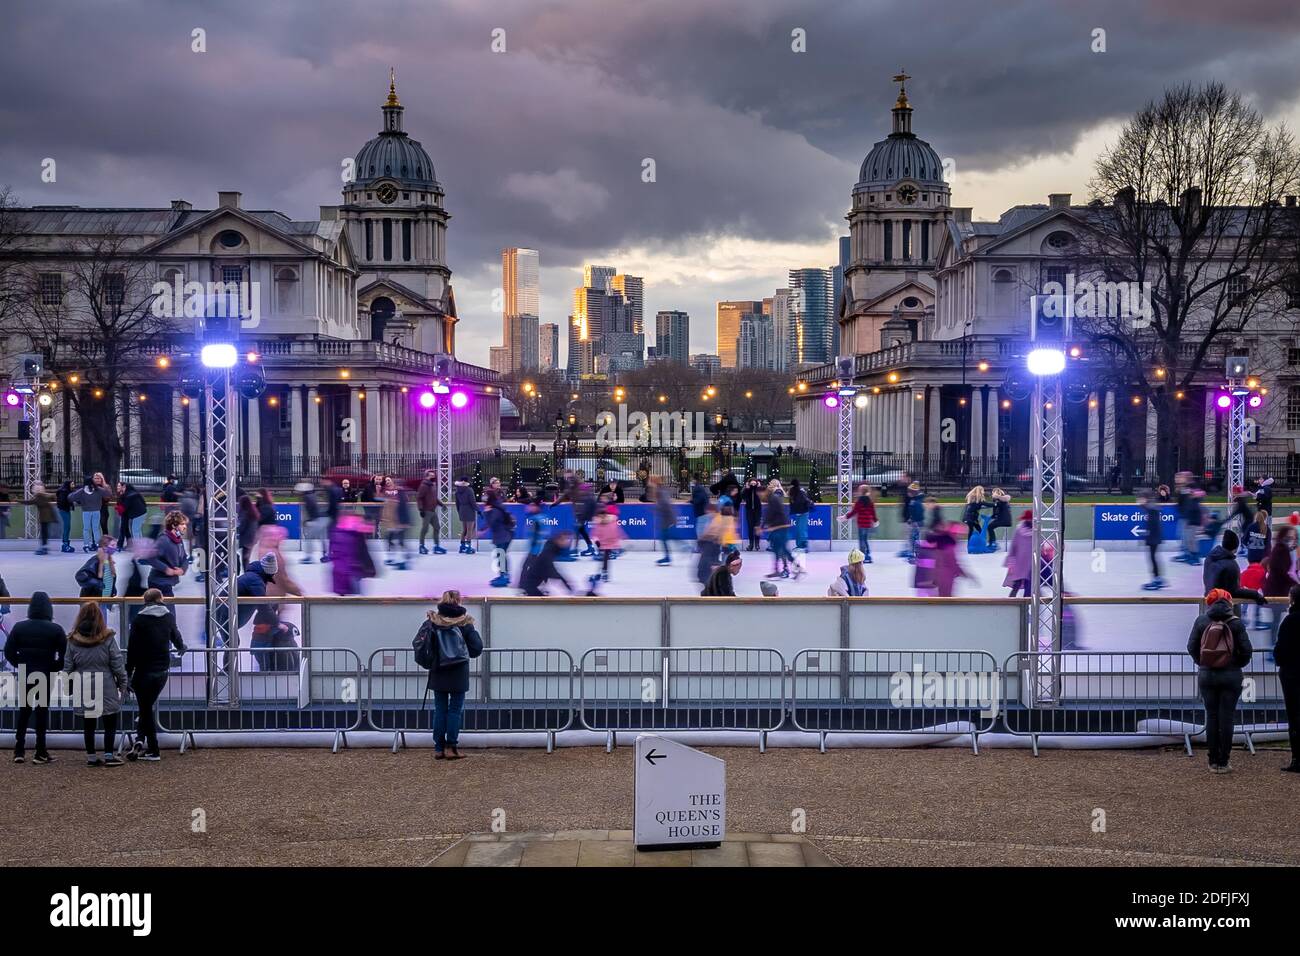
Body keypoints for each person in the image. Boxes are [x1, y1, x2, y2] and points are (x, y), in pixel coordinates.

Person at [1187, 588, 1253, 773]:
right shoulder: (1236, 623)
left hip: (1207, 675)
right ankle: (1224, 761)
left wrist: (1203, 663)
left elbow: (1191, 646)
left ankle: (1212, 760)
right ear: (1229, 603)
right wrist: (1236, 664)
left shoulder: (1201, 621)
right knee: (1227, 718)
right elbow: (1247, 650)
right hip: (1231, 675)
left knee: (1212, 716)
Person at [415, 590, 483, 760]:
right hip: (459, 671)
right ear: (459, 602)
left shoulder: (432, 621)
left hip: (438, 670)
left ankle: (438, 748)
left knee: (440, 710)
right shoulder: (465, 622)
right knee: (454, 710)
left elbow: (421, 644)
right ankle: (451, 748)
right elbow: (477, 648)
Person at [63, 602, 128, 767]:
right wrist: (123, 683)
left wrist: (67, 687)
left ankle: (91, 757)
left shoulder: (72, 639)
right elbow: (117, 663)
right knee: (109, 721)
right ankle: (108, 755)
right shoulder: (108, 637)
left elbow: (68, 666)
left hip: (82, 684)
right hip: (105, 683)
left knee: (88, 723)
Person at [5, 592, 66, 763]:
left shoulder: (19, 627)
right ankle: (40, 750)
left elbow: (9, 652)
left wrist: (20, 663)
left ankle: (19, 750)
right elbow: (64, 655)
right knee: (42, 712)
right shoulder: (56, 629)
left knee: (24, 711)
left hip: (26, 673)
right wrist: (53, 668)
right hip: (45, 674)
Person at [125, 588, 184, 761]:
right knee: (146, 710)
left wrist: (128, 673)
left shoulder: (139, 620)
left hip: (143, 671)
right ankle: (140, 741)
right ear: (160, 599)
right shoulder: (168, 617)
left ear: (145, 601)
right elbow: (176, 637)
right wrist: (181, 647)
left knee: (145, 710)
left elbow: (132, 649)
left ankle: (153, 749)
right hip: (162, 671)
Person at [1202, 530, 1267, 610]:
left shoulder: (1210, 558)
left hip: (1208, 603)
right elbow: (1234, 592)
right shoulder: (1231, 565)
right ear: (1235, 547)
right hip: (1223, 609)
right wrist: (1255, 594)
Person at [1274, 583, 1300, 772]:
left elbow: (1280, 650)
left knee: (1295, 715)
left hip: (1292, 674)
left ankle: (1297, 759)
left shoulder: (1290, 621)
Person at [1263, 525, 1298, 648]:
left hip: (1277, 590)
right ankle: (1273, 645)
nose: (1292, 540)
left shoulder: (1282, 549)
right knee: (1277, 619)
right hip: (1276, 591)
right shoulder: (1281, 551)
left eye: (1294, 537)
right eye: (1289, 537)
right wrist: (1296, 584)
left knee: (1277, 619)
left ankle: (1275, 644)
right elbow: (1282, 573)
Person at [328, 513, 377, 595]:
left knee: (344, 597)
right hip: (352, 571)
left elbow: (333, 551)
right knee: (356, 600)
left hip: (340, 572)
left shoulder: (338, 531)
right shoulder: (356, 536)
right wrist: (370, 568)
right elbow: (363, 552)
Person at [146, 511, 189, 598]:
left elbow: (184, 557)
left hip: (167, 583)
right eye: (182, 524)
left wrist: (182, 569)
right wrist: (167, 569)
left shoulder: (178, 540)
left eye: (185, 524)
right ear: (173, 525)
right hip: (158, 583)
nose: (185, 527)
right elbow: (150, 558)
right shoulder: (164, 540)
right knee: (167, 610)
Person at [518, 530, 575, 596]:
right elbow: (551, 571)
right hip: (530, 585)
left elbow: (548, 571)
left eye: (569, 539)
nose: (568, 542)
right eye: (566, 539)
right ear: (559, 540)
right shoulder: (549, 551)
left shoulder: (553, 548)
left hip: (535, 583)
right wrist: (567, 585)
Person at [69, 473, 111, 553]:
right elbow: (108, 494)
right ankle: (99, 545)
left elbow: (71, 497)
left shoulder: (82, 491)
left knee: (86, 529)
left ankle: (86, 545)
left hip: (86, 511)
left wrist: (80, 500)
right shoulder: (98, 489)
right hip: (96, 511)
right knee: (96, 529)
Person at [762, 482, 795, 579]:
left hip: (780, 527)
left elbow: (773, 513)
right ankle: (778, 569)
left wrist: (764, 525)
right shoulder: (771, 499)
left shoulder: (775, 496)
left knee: (782, 549)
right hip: (777, 527)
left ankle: (792, 568)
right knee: (777, 549)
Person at [483, 493, 515, 587]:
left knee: (501, 555)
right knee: (501, 555)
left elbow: (492, 523)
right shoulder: (497, 507)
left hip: (503, 536)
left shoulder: (495, 510)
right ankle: (503, 575)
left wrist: (487, 512)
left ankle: (504, 576)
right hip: (504, 536)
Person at [380, 476, 412, 570]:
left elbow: (402, 509)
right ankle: (396, 559)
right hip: (397, 522)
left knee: (400, 541)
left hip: (400, 522)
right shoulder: (397, 494)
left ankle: (405, 561)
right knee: (391, 539)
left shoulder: (400, 494)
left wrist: (401, 523)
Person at [590, 499, 624, 586]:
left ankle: (604, 573)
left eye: (603, 516)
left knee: (605, 558)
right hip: (602, 542)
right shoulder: (598, 522)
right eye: (600, 516)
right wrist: (597, 542)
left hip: (609, 543)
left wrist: (618, 541)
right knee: (603, 558)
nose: (602, 518)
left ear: (605, 514)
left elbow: (617, 531)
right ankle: (602, 573)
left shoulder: (612, 521)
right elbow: (595, 533)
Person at [1138, 492, 1166, 591]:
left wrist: (1148, 534)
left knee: (1152, 558)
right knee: (1153, 557)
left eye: (1140, 499)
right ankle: (1158, 578)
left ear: (1145, 498)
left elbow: (1153, 525)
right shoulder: (1151, 508)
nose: (1138, 501)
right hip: (1154, 537)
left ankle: (1157, 579)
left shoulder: (1152, 509)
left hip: (1154, 538)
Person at [842, 484, 878, 562]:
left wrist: (845, 517)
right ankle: (867, 554)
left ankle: (863, 555)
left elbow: (853, 512)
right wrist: (875, 521)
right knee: (865, 539)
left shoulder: (859, 502)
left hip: (861, 524)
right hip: (867, 524)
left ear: (861, 492)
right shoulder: (870, 502)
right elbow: (873, 513)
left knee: (862, 540)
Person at [75, 534, 118, 598]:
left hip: (106, 600)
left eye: (115, 545)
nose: (115, 548)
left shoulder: (110, 562)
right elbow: (80, 575)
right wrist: (97, 583)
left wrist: (113, 590)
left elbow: (109, 579)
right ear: (104, 547)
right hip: (93, 600)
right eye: (112, 545)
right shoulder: (95, 561)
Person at [416, 469, 447, 555]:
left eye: (434, 475)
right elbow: (419, 497)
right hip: (426, 511)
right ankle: (421, 546)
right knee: (425, 529)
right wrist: (421, 509)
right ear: (427, 476)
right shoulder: (424, 485)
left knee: (437, 527)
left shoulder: (432, 485)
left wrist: (442, 504)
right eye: (431, 476)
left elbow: (434, 498)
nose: (433, 477)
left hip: (433, 511)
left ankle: (436, 546)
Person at [1003, 510, 1034, 597]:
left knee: (1028, 587)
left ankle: (1024, 608)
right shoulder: (1019, 530)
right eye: (1027, 519)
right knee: (1017, 585)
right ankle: (1011, 605)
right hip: (1020, 562)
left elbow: (1041, 546)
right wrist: (1010, 562)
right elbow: (1014, 545)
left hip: (1030, 563)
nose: (1029, 521)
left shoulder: (1036, 531)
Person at [297, 480, 328, 563]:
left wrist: (309, 520)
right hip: (321, 519)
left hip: (316, 520)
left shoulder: (307, 497)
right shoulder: (313, 496)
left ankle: (309, 557)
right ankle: (326, 555)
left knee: (309, 538)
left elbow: (311, 509)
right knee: (322, 538)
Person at [114, 481, 148, 549]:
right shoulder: (133, 493)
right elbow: (144, 504)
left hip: (138, 514)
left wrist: (117, 507)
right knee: (137, 530)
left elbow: (123, 508)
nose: (118, 487)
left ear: (125, 487)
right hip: (142, 513)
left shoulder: (128, 496)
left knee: (135, 530)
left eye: (120, 486)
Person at [652, 477, 678, 566]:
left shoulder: (661, 491)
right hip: (666, 518)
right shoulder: (661, 490)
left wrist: (656, 508)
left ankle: (668, 557)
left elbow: (665, 504)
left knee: (665, 538)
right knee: (666, 537)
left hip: (666, 519)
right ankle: (667, 557)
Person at [31, 481, 57, 555]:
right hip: (45, 517)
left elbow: (30, 501)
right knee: (44, 532)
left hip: (46, 517)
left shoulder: (41, 496)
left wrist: (18, 501)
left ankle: (44, 547)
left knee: (44, 532)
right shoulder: (43, 496)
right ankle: (44, 547)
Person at [454, 478, 477, 554]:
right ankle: (468, 547)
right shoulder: (469, 490)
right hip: (469, 510)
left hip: (462, 510)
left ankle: (462, 546)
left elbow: (457, 503)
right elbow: (473, 502)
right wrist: (478, 510)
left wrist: (459, 511)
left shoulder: (457, 491)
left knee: (464, 529)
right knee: (469, 530)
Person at [788, 478, 812, 553]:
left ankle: (803, 546)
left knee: (802, 529)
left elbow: (801, 502)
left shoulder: (800, 492)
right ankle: (799, 545)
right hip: (799, 513)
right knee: (799, 530)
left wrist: (799, 510)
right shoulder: (793, 492)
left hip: (803, 513)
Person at [740, 478, 763, 552]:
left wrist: (759, 487)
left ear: (757, 483)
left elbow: (763, 496)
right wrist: (746, 488)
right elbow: (742, 496)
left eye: (754, 483)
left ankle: (757, 544)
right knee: (750, 528)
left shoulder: (759, 489)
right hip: (749, 510)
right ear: (749, 483)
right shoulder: (747, 490)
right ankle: (751, 544)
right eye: (751, 484)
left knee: (757, 527)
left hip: (757, 511)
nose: (753, 485)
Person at [56, 479, 75, 553]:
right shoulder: (63, 492)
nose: (74, 486)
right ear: (68, 484)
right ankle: (65, 544)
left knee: (67, 526)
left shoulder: (67, 491)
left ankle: (66, 543)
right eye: (72, 484)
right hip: (64, 510)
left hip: (66, 510)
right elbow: (62, 501)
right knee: (67, 526)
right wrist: (69, 503)